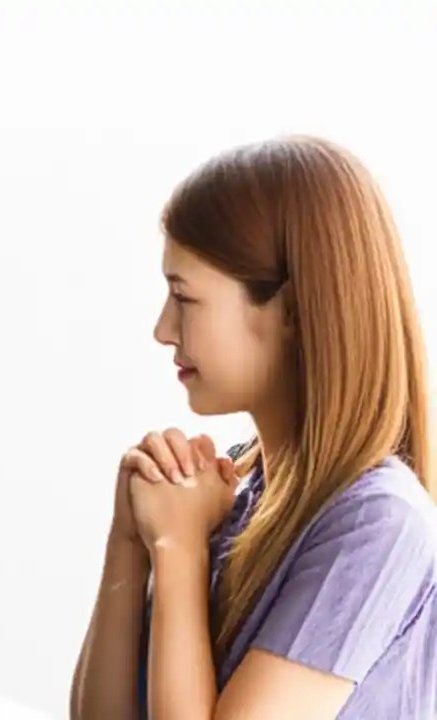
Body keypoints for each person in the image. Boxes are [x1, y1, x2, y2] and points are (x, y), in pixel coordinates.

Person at [68, 135, 437, 719]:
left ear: (290, 313)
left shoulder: (377, 525)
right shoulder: (232, 495)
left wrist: (179, 548)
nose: (163, 330)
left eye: (184, 298)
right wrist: (129, 543)